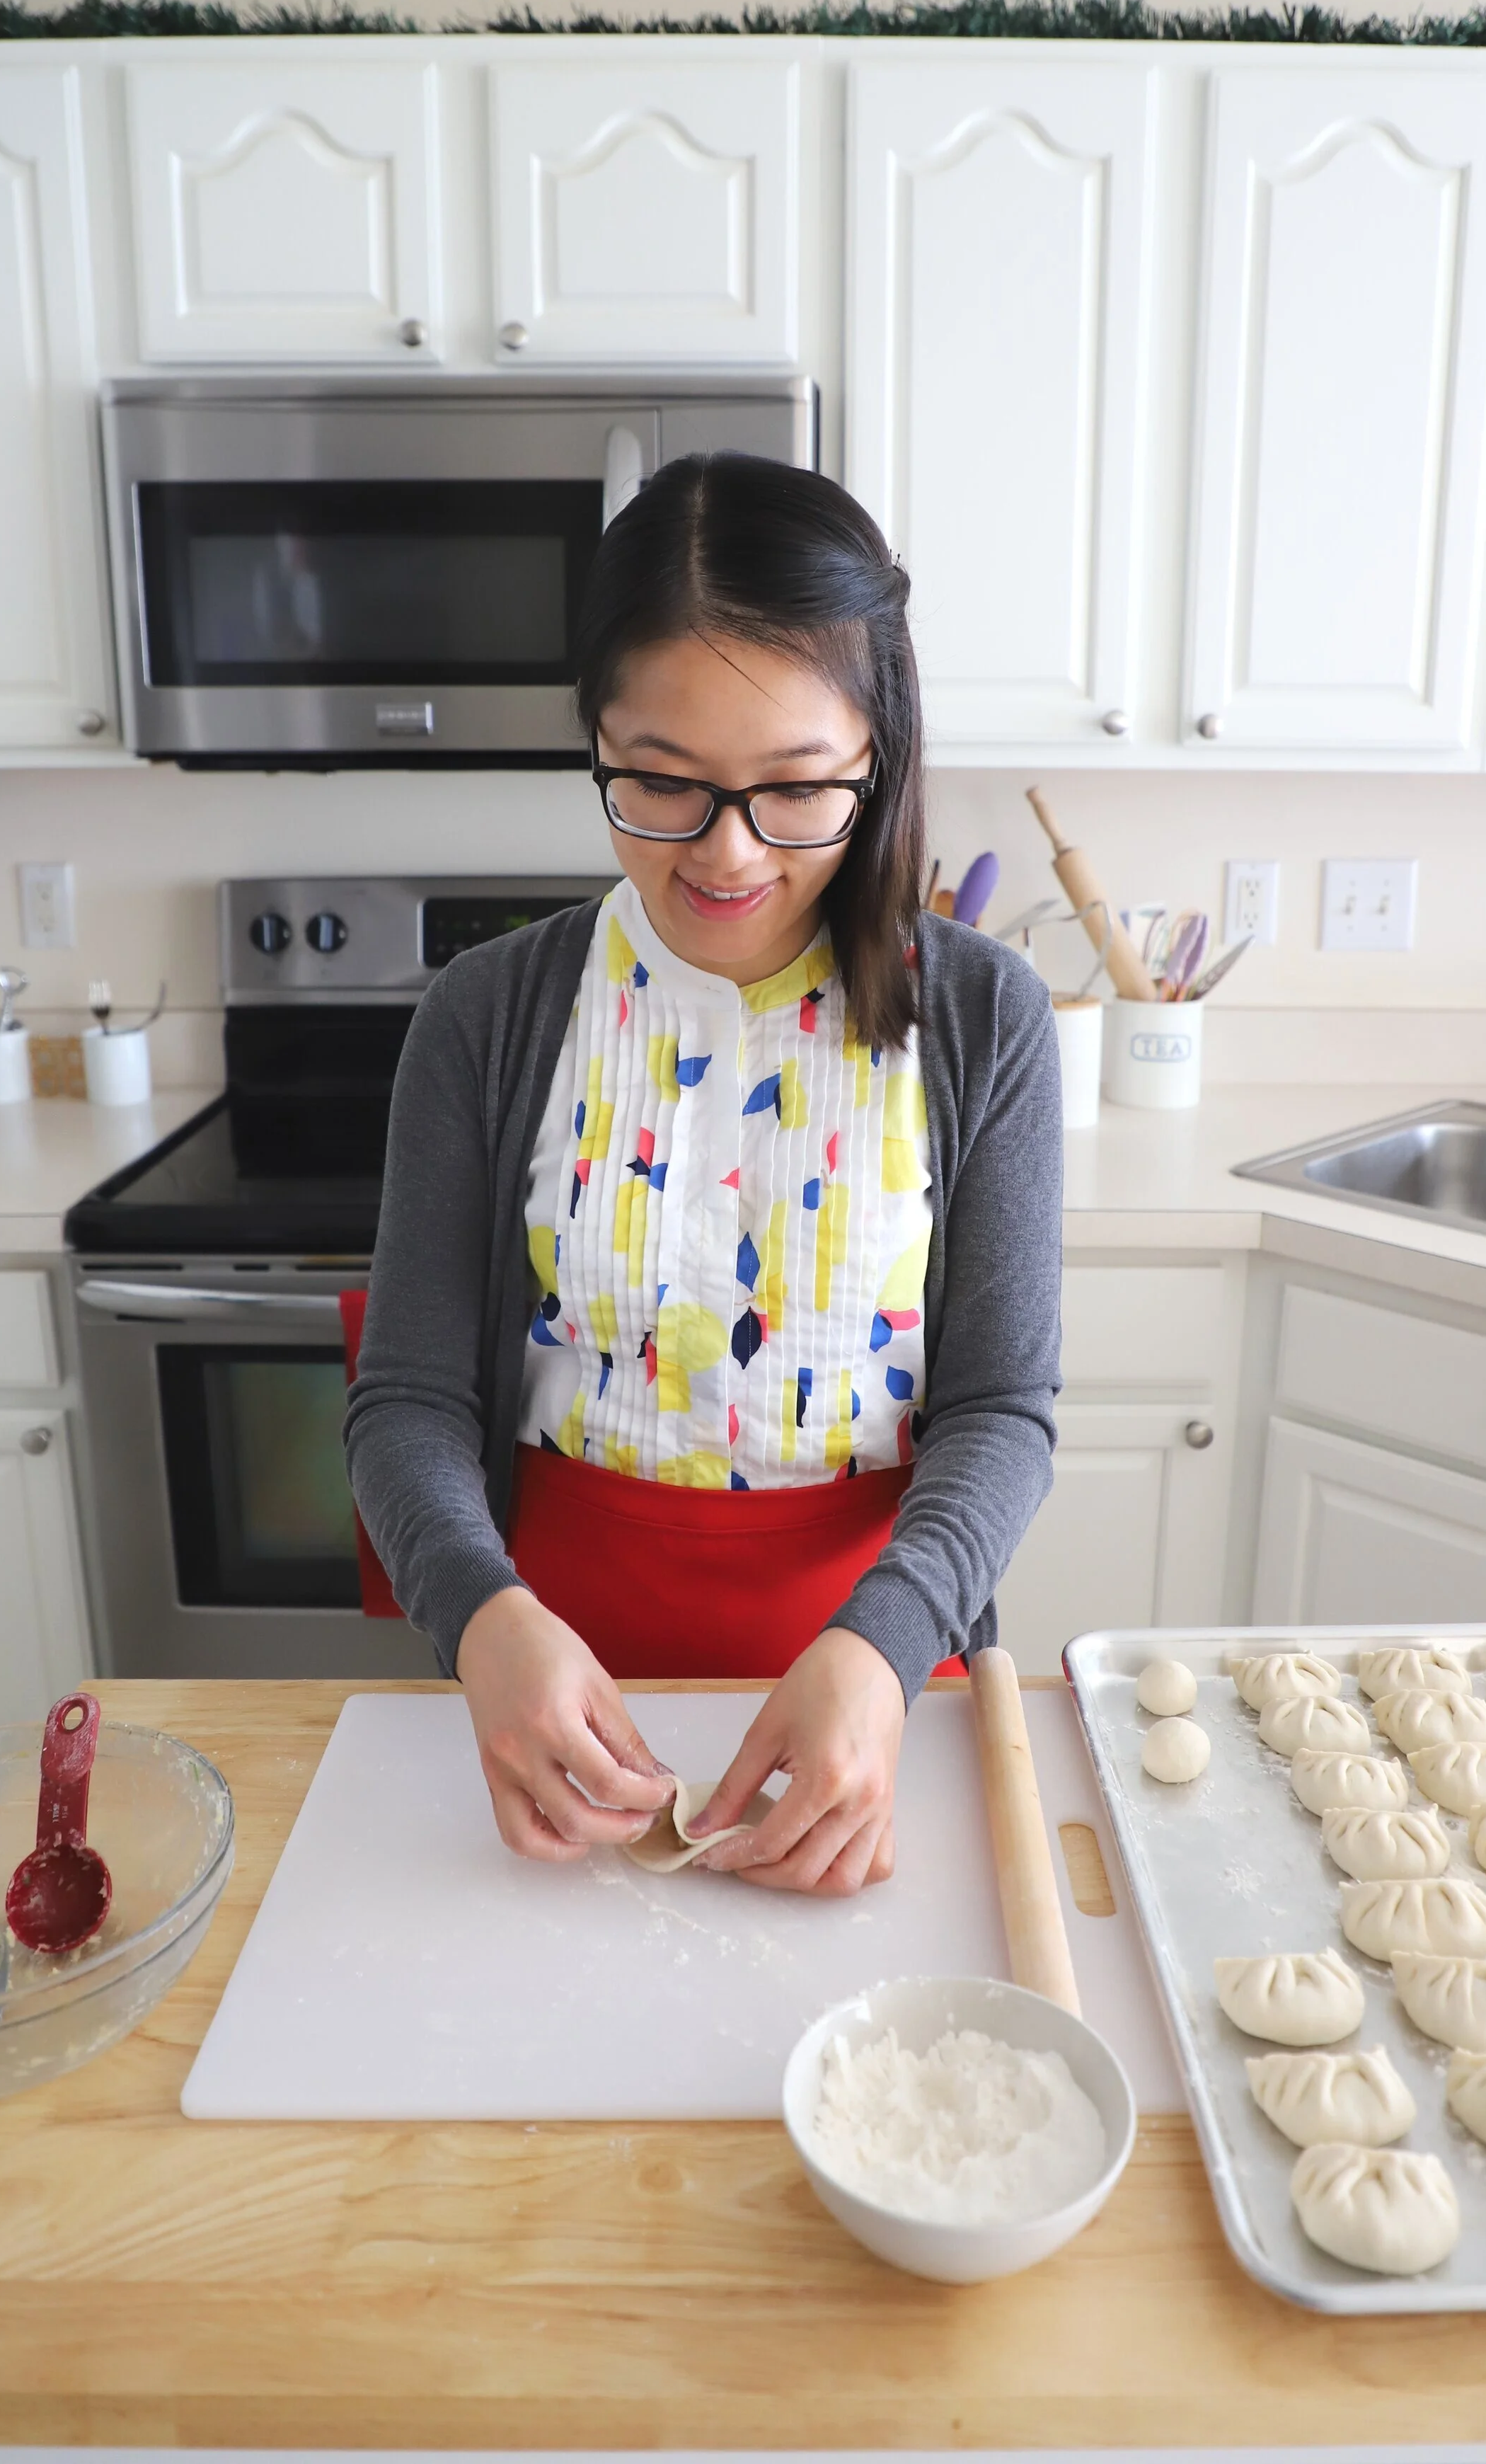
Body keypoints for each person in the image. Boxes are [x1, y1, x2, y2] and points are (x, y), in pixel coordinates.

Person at [346, 453, 1062, 1896]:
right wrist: (481, 1623)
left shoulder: (982, 1017)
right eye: (658, 785)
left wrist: (882, 1647)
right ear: (592, 739)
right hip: (545, 1689)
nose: (726, 854)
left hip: (876, 1686)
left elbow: (1000, 1411)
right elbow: (410, 1399)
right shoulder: (486, 1020)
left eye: (797, 791)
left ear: (880, 757)